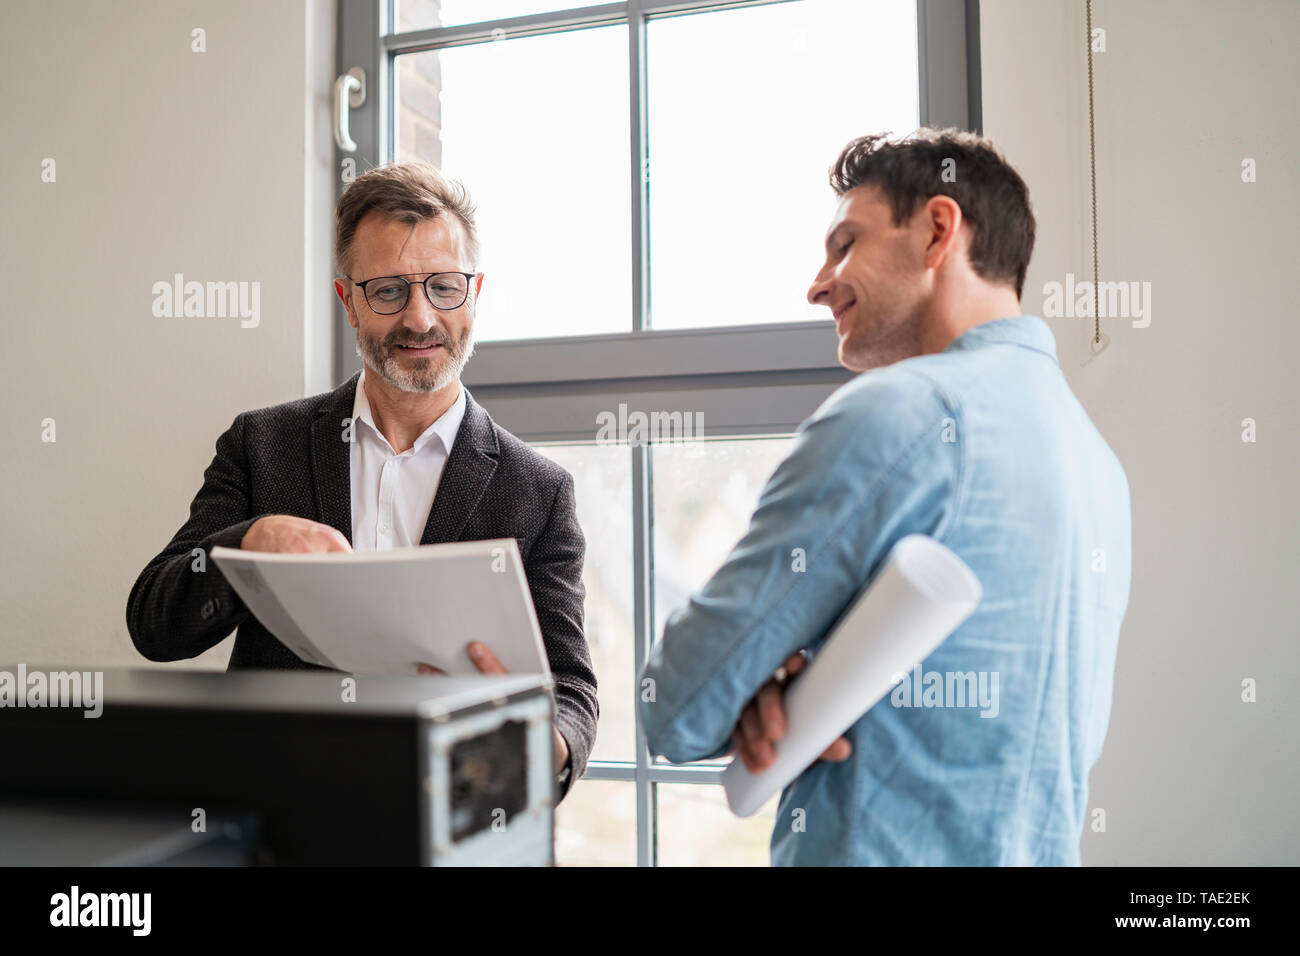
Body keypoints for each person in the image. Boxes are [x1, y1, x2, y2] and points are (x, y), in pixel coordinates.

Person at [638, 128, 1132, 864]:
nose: (817, 282)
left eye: (845, 245)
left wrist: (754, 678)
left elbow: (673, 708)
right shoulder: (1100, 465)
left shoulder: (899, 414)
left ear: (938, 230)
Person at [126, 162, 597, 798]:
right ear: (349, 301)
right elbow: (154, 624)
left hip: (451, 816)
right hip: (278, 821)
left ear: (476, 293)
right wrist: (248, 543)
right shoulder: (262, 445)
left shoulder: (540, 492)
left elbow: (571, 689)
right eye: (389, 291)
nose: (421, 319)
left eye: (443, 287)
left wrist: (548, 744)